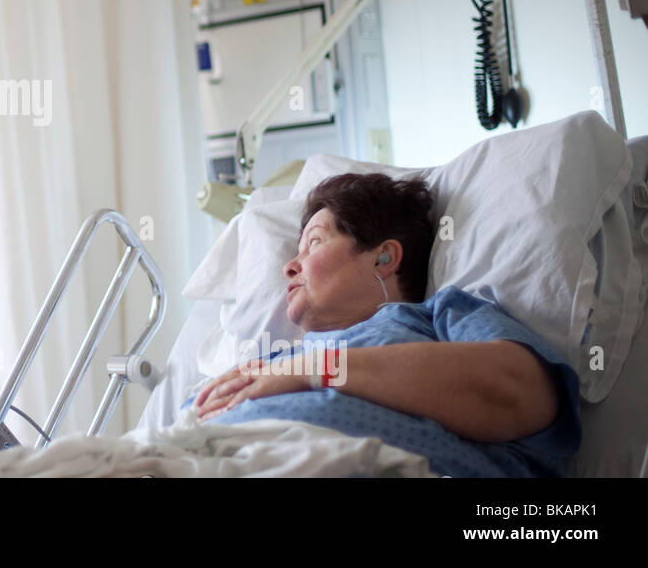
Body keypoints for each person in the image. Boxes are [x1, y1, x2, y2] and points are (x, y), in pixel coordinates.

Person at [187, 172, 581, 477]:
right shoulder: (276, 360)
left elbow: (519, 393)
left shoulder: (440, 317)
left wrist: (314, 370)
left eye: (314, 243)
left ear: (384, 258)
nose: (289, 266)